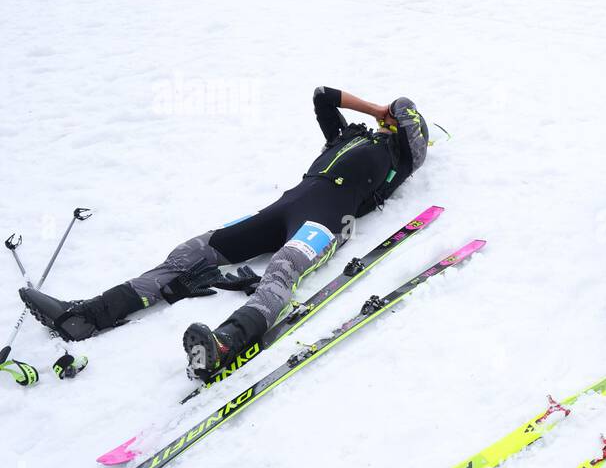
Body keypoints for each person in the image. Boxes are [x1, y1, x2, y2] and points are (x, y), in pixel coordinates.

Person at [20, 88, 430, 381]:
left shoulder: (400, 160)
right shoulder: (346, 136)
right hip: (281, 209)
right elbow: (323, 95)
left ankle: (225, 343)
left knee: (284, 267)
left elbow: (408, 112)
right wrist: (375, 109)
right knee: (194, 251)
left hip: (326, 223)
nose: (386, 120)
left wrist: (393, 113)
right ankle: (86, 316)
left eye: (392, 120)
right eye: (384, 117)